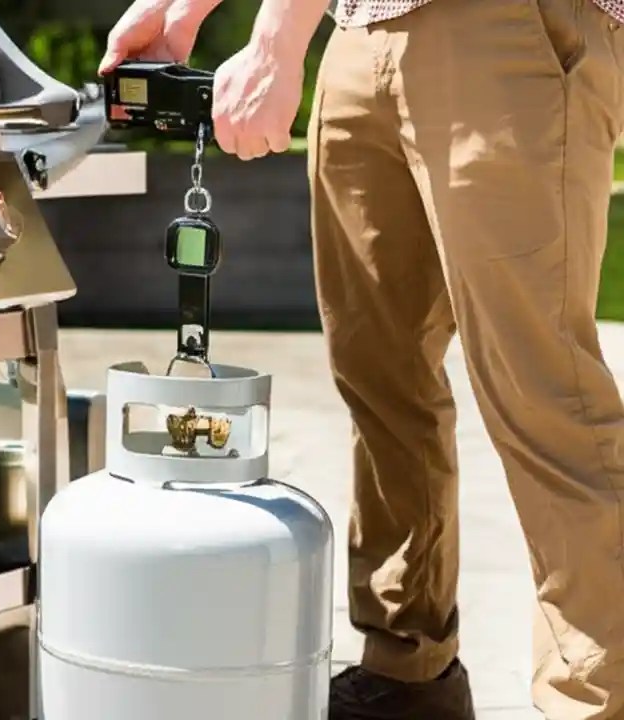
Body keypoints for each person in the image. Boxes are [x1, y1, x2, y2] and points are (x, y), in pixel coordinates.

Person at [100, 0, 624, 718]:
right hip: (356, 28)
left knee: (542, 392)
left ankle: (596, 700)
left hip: (501, 30)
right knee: (380, 380)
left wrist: (277, 39)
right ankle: (409, 672)